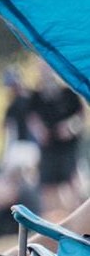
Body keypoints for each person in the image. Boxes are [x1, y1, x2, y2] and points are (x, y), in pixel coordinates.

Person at [29, 64, 85, 218]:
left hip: (67, 149)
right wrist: (39, 130)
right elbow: (32, 119)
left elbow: (80, 117)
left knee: (72, 186)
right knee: (48, 190)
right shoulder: (36, 97)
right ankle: (51, 222)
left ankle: (79, 220)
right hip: (48, 150)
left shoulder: (69, 94)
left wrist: (69, 127)